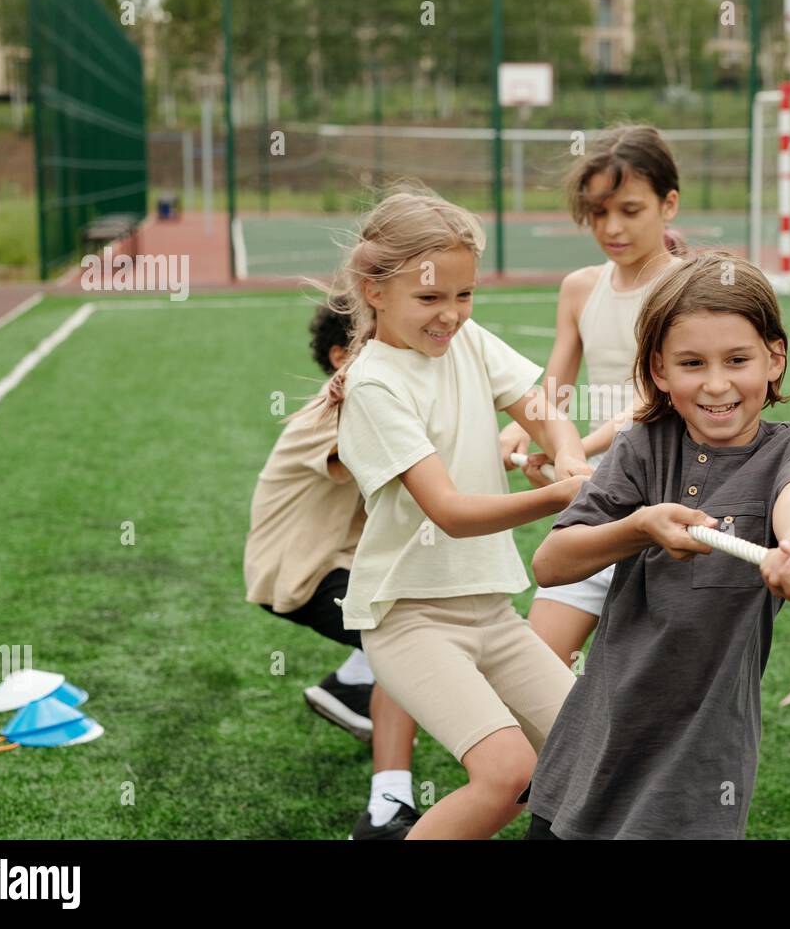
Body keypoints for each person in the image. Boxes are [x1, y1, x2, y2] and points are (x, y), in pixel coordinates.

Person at [521, 251, 790, 839]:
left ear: (775, 359)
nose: (716, 384)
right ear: (658, 372)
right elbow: (550, 564)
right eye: (691, 363)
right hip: (595, 737)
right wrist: (638, 526)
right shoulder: (642, 447)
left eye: (737, 360)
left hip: (699, 762)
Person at [324, 186, 592, 839]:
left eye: (464, 295)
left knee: (591, 751)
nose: (450, 315)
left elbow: (539, 405)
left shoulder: (469, 341)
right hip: (411, 621)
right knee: (506, 773)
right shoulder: (374, 385)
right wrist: (557, 495)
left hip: (491, 611)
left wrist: (567, 453)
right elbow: (446, 510)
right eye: (430, 298)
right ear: (374, 287)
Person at [498, 125, 685, 668]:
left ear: (668, 203)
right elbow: (552, 389)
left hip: (670, 488)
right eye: (598, 214)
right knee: (538, 667)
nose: (612, 227)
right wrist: (516, 434)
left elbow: (654, 398)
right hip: (597, 498)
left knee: (650, 680)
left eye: (630, 210)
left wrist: (572, 449)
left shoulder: (689, 286)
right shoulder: (580, 287)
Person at [244, 304, 422, 839]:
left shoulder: (367, 408)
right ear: (342, 358)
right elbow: (401, 462)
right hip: (297, 573)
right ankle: (386, 806)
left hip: (335, 563)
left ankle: (348, 686)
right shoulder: (331, 414)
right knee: (408, 637)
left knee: (413, 604)